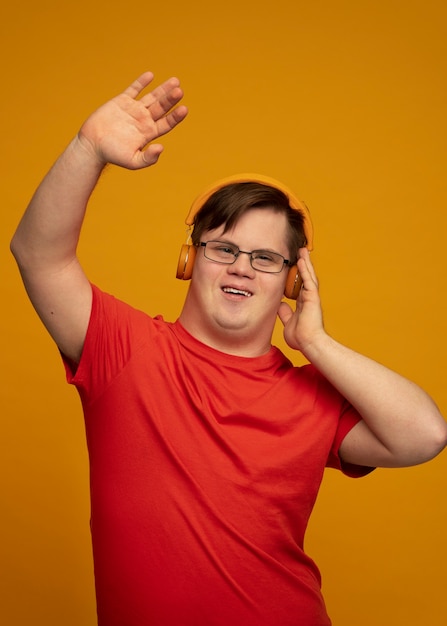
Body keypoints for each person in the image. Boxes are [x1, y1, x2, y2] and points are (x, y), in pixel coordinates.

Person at [10, 72, 447, 626]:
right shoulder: (123, 347)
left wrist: (313, 342)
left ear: (293, 279)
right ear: (190, 259)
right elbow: (37, 254)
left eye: (266, 258)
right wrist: (87, 149)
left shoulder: (313, 395)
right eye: (224, 248)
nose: (242, 267)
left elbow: (425, 434)